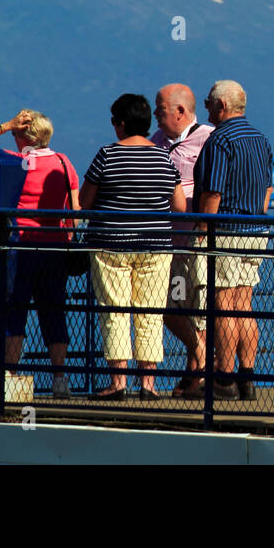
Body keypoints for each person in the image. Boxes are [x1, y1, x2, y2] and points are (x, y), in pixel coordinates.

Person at [78, 94, 185, 399]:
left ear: (121, 124)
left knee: (115, 311)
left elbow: (85, 202)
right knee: (150, 313)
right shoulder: (164, 158)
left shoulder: (107, 156)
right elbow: (178, 206)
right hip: (155, 246)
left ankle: (117, 383)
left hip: (110, 245)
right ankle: (148, 385)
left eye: (114, 122)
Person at [0, 109, 80, 398]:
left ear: (23, 136)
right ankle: (60, 378)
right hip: (54, 248)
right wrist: (68, 237)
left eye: (15, 132)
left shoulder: (16, 162)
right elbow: (75, 209)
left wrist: (4, 124)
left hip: (19, 248)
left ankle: (10, 373)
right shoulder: (64, 162)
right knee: (54, 312)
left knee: (14, 312)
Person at [192, 80, 273, 402]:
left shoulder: (220, 141)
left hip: (225, 229)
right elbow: (267, 191)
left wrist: (202, 229)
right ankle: (247, 377)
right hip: (256, 229)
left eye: (208, 102)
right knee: (244, 302)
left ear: (221, 106)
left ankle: (223, 380)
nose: (206, 107)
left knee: (223, 303)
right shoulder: (260, 139)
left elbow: (212, 192)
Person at [150, 83, 216, 397]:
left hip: (196, 238)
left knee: (198, 306)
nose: (155, 116)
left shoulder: (209, 139)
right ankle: (202, 357)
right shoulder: (156, 142)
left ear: (179, 111)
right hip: (165, 238)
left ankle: (195, 373)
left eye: (160, 110)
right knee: (165, 304)